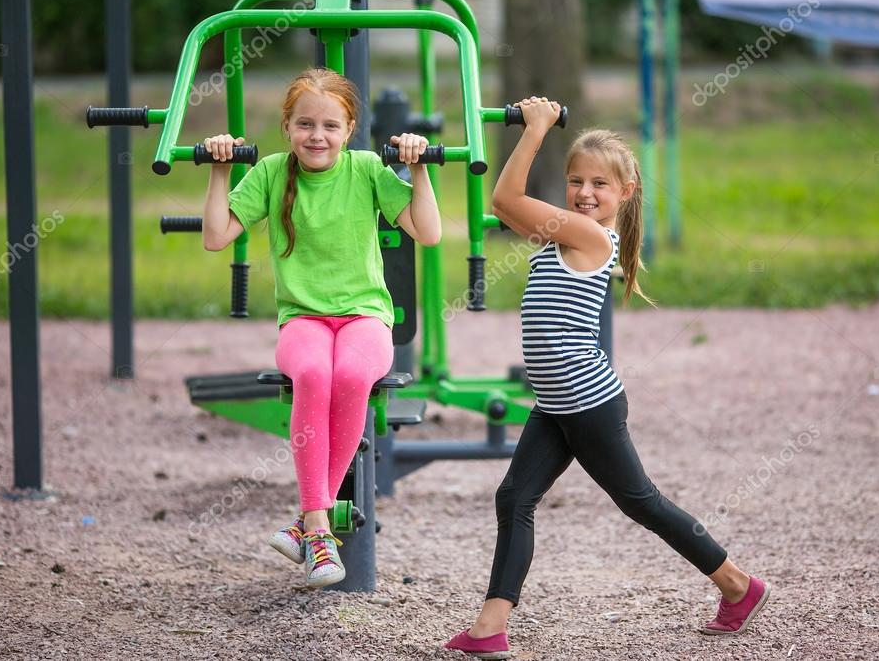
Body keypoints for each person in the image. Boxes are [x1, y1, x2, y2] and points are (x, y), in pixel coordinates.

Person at [445, 97, 769, 659]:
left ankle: (738, 585)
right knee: (514, 497)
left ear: (626, 192)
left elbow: (503, 198)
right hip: (556, 403)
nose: (585, 192)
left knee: (640, 501)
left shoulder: (591, 238)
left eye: (600, 184)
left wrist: (537, 128)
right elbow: (509, 209)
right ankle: (489, 629)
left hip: (588, 404)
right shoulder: (564, 235)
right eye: (575, 181)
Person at [201, 67, 440, 588]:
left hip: (364, 316)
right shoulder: (269, 172)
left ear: (349, 130)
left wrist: (418, 169)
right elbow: (217, 237)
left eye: (330, 126)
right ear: (287, 126)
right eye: (305, 124)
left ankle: (310, 524)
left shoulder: (368, 169)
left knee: (353, 377)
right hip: (304, 318)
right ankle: (318, 527)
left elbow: (429, 231)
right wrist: (219, 169)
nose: (317, 136)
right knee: (312, 373)